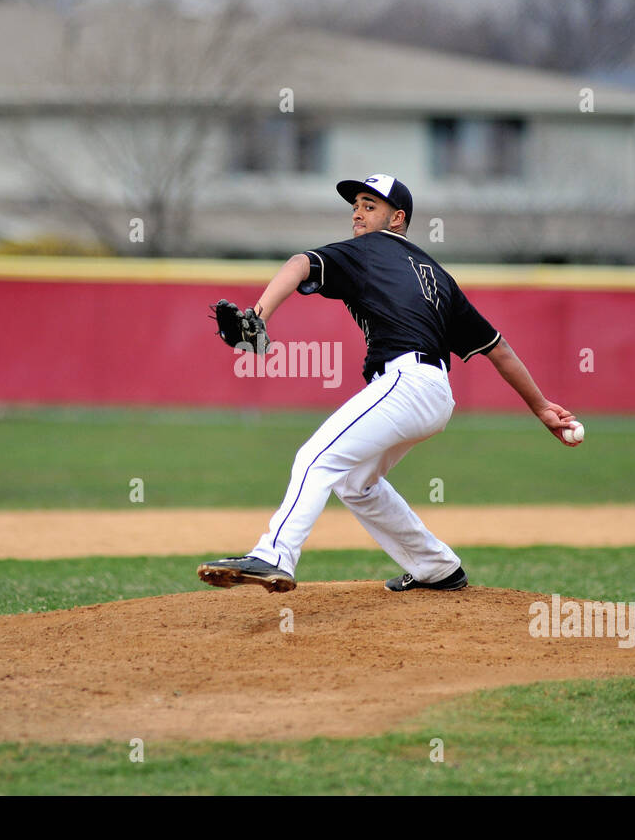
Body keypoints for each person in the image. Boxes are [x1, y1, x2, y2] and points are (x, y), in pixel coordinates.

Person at [198, 173, 577, 595]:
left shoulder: (368, 248)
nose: (358, 212)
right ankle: (436, 567)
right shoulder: (438, 277)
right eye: (355, 204)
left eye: (370, 205)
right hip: (434, 395)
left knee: (316, 458)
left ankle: (274, 555)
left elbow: (300, 263)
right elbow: (498, 348)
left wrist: (259, 315)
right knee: (354, 482)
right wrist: (541, 406)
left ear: (397, 219)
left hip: (405, 382)